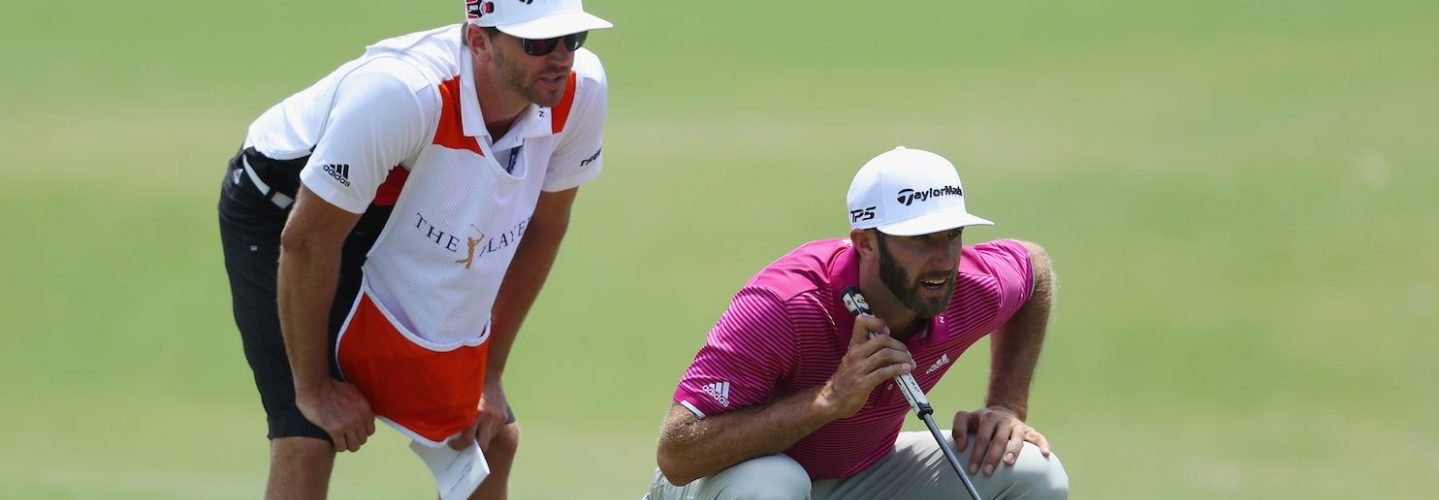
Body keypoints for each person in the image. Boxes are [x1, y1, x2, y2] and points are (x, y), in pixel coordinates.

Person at [217, 1, 611, 498]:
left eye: (572, 39)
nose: (560, 57)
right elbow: (307, 240)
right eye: (536, 43)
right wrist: (313, 388)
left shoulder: (580, 92)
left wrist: (488, 374)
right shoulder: (402, 93)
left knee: (489, 437)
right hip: (285, 210)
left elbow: (544, 227)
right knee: (308, 437)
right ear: (478, 40)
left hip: (406, 205)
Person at [646, 147, 1070, 500]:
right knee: (772, 485)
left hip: (861, 476)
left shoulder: (970, 287)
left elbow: (1036, 269)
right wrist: (829, 400)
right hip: (724, 481)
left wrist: (1007, 406)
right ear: (865, 242)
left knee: (1035, 472)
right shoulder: (784, 304)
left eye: (952, 235)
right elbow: (678, 454)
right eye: (921, 240)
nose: (943, 260)